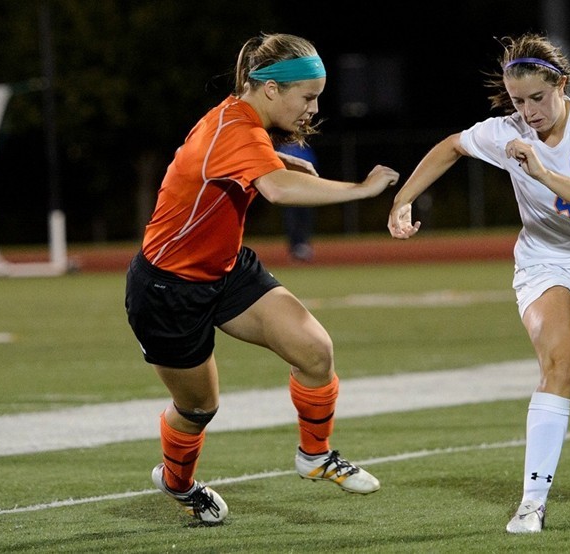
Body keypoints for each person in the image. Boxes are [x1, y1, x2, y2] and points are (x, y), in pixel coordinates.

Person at [387, 33, 570, 534]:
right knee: (559, 364)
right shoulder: (507, 131)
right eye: (517, 100)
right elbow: (451, 147)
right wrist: (402, 200)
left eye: (537, 99)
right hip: (544, 260)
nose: (528, 111)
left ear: (561, 86)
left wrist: (543, 173)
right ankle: (532, 503)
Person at [125, 33, 399, 525]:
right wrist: (362, 190)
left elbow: (241, 166)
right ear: (271, 89)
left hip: (226, 270)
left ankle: (315, 457)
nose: (313, 108)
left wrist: (273, 159)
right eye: (308, 97)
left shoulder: (240, 117)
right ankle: (177, 481)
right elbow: (277, 190)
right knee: (198, 408)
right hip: (169, 289)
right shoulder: (239, 129)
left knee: (314, 350)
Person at [276, 141, 318, 262]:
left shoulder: (303, 148)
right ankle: (295, 247)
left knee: (305, 219)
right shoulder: (283, 149)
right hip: (290, 192)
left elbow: (312, 165)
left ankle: (304, 245)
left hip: (305, 192)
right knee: (291, 221)